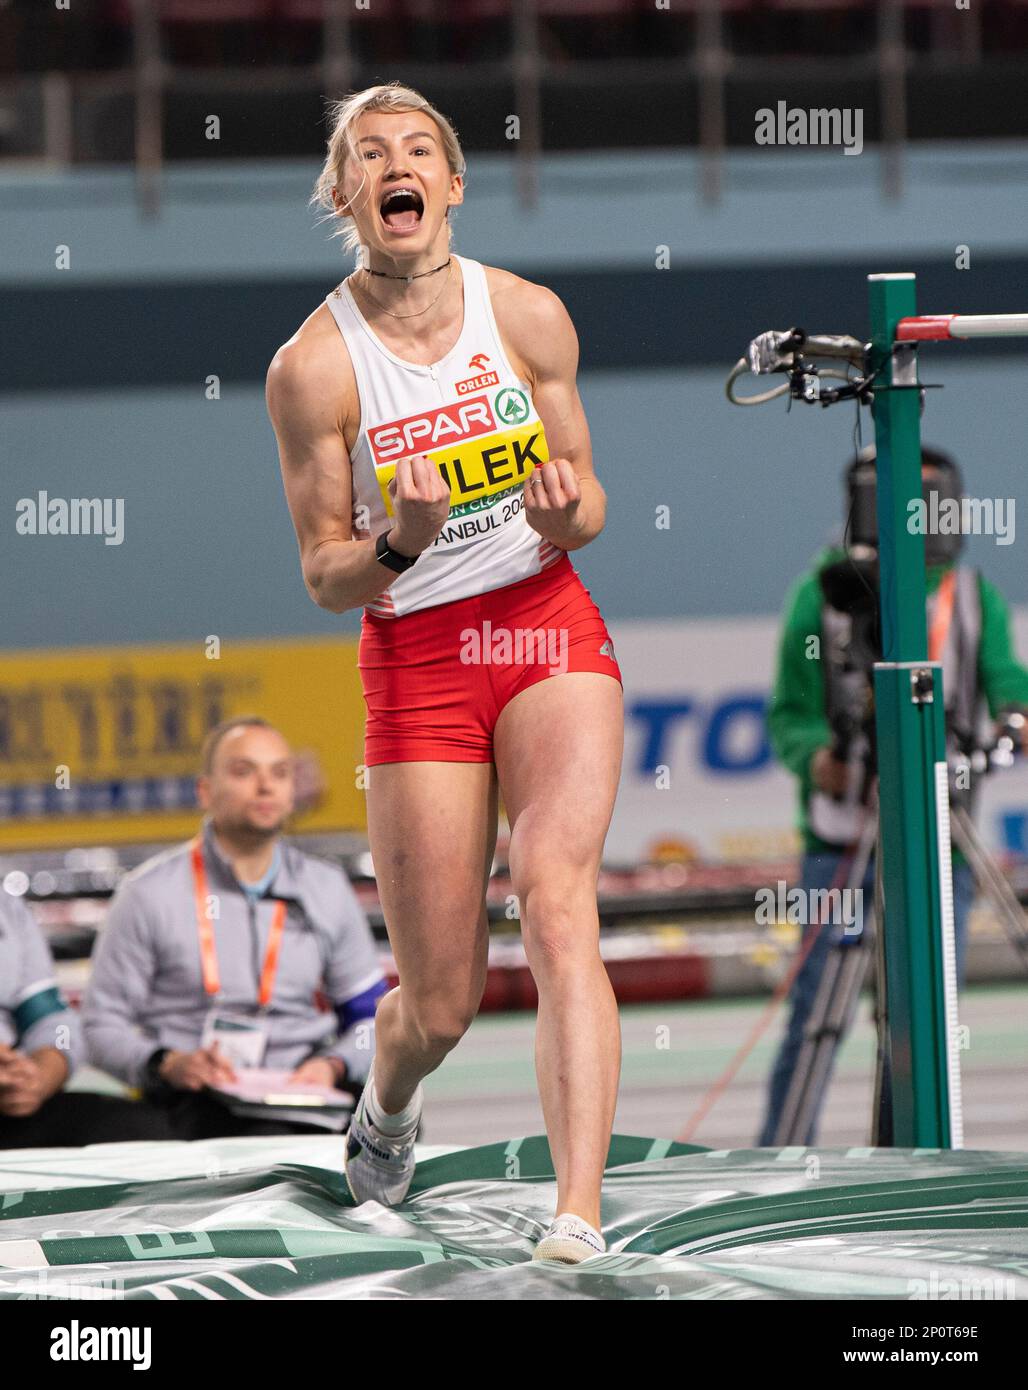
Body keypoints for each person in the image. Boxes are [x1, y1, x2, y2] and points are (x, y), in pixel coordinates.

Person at [266, 82, 624, 1263]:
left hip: (538, 625)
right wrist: (398, 543)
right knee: (440, 1004)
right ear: (346, 196)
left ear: (452, 185)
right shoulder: (313, 369)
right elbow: (324, 575)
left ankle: (576, 1209)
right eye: (369, 155)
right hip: (415, 653)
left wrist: (568, 514)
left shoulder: (526, 318)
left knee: (556, 894)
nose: (395, 166)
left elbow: (585, 499)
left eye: (418, 149)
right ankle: (387, 1099)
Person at [758, 445, 1028, 1146]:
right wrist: (818, 757)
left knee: (928, 1013)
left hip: (944, 834)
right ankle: (783, 1159)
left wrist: (1012, 723)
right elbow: (790, 712)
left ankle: (913, 1153)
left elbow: (1009, 684)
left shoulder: (973, 597)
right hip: (841, 842)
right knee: (817, 1012)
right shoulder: (821, 595)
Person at [82, 717, 387, 1140]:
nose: (266, 786)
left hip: (305, 1092)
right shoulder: (147, 894)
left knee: (393, 1121)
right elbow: (99, 1026)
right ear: (204, 790)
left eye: (280, 773)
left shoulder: (327, 888)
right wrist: (166, 1063)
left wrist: (333, 1064)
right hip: (194, 1099)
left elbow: (373, 1018)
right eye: (245, 772)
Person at [0, 890, 163, 1148]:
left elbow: (53, 1021)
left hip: (9, 1103)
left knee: (143, 1129)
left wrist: (37, 1078)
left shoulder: (7, 906)